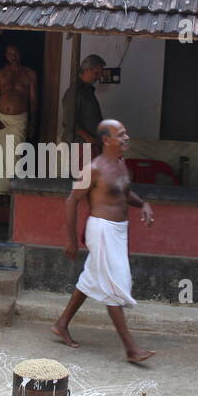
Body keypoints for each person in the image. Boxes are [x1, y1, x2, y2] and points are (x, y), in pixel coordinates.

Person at [51, 119, 155, 363]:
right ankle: (131, 348)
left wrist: (144, 204)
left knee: (92, 278)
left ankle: (61, 323)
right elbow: (71, 201)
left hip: (119, 230)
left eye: (126, 132)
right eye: (121, 134)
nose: (127, 137)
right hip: (102, 231)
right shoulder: (94, 168)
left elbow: (124, 192)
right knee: (114, 286)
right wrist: (71, 241)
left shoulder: (121, 164)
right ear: (106, 140)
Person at [0, 45, 37, 196]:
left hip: (18, 121)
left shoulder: (29, 74)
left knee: (14, 156)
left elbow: (34, 100)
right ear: (6, 56)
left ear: (21, 54)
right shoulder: (0, 74)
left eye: (16, 52)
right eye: (10, 53)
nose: (13, 56)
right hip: (0, 119)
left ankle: (11, 192)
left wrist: (32, 122)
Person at [60, 54, 106, 155]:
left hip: (88, 144)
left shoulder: (87, 91)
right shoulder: (75, 91)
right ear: (87, 70)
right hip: (79, 145)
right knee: (80, 171)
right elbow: (70, 121)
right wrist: (89, 138)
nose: (99, 77)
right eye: (97, 73)